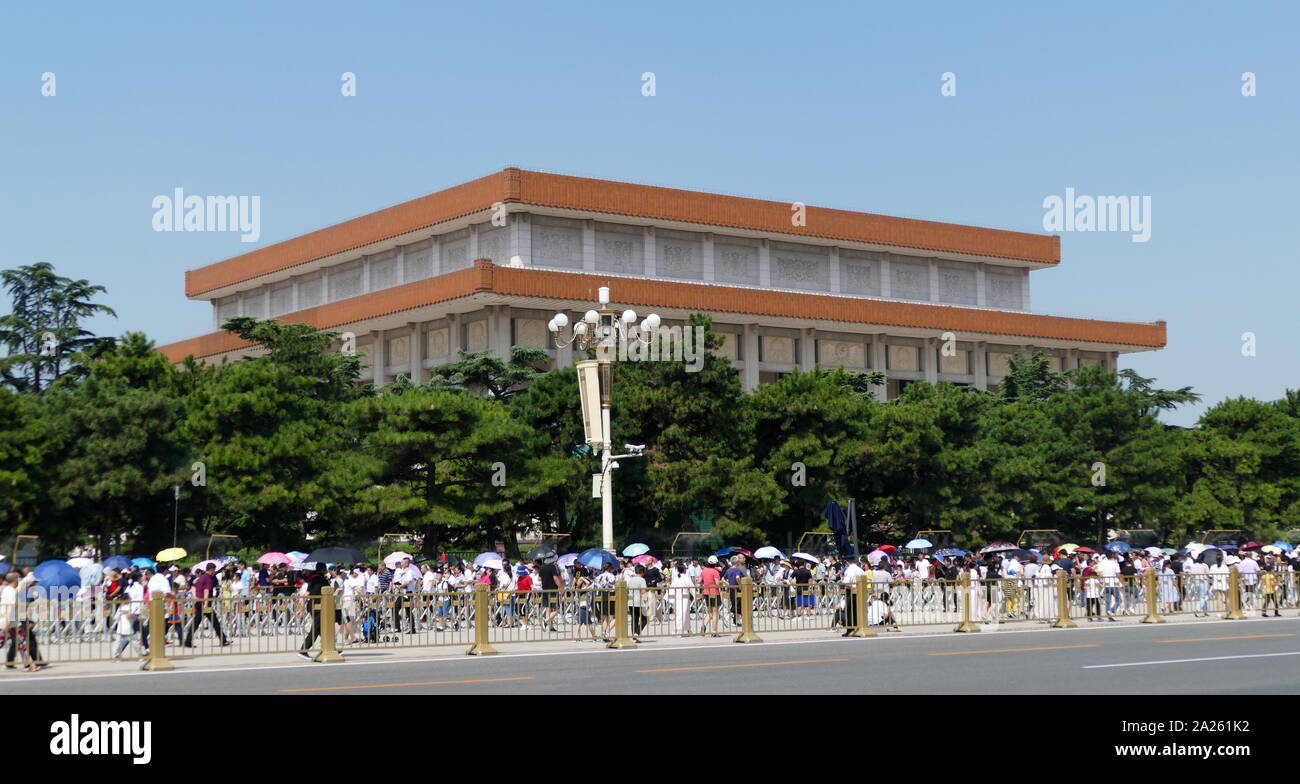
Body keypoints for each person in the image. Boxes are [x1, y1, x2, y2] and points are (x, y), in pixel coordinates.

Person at [184, 563, 230, 647]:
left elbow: (193, 587)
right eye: (214, 570)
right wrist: (205, 603)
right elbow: (206, 591)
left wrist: (195, 597)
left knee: (198, 622)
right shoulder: (208, 579)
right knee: (214, 622)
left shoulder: (201, 577)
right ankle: (223, 640)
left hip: (199, 602)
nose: (214, 571)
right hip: (205, 604)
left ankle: (188, 641)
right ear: (211, 569)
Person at [298, 566, 337, 660]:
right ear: (322, 569)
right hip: (319, 605)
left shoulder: (313, 578)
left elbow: (308, 592)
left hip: (312, 605)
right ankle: (304, 650)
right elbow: (329, 590)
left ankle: (331, 648)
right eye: (325, 569)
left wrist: (301, 606)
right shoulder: (321, 579)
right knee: (316, 628)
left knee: (322, 629)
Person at [592, 562, 618, 641]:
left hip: (601, 596)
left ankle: (604, 635)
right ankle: (607, 631)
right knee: (616, 617)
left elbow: (594, 586)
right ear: (610, 568)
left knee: (605, 617)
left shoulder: (599, 577)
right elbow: (615, 586)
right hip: (610, 596)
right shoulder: (612, 576)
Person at [537, 557, 564, 633]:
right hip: (552, 590)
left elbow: (539, 578)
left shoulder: (542, 568)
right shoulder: (553, 568)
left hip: (545, 590)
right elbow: (555, 579)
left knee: (548, 608)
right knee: (556, 609)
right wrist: (561, 588)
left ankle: (551, 627)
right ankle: (546, 621)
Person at [571, 565, 598, 641]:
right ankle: (593, 636)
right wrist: (583, 578)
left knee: (579, 622)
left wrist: (583, 578)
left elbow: (589, 583)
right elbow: (588, 583)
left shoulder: (581, 587)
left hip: (582, 606)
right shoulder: (581, 588)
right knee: (588, 622)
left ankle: (577, 637)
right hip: (583, 606)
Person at [841, 554, 866, 636]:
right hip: (861, 592)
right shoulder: (860, 570)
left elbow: (846, 582)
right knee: (858, 611)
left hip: (851, 592)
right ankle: (859, 628)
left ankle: (850, 630)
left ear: (847, 562)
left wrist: (853, 588)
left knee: (850, 612)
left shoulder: (849, 570)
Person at [699, 556, 723, 638]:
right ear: (715, 563)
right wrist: (721, 582)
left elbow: (699, 581)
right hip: (714, 593)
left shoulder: (704, 571)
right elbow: (717, 583)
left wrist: (705, 582)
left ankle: (704, 625)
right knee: (715, 612)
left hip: (706, 592)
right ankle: (714, 631)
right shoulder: (715, 572)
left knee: (710, 612)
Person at [669, 562, 694, 636]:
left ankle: (688, 629)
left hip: (679, 597)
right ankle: (677, 630)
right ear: (684, 570)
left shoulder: (677, 578)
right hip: (683, 597)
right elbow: (692, 588)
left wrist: (671, 598)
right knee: (681, 614)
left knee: (684, 614)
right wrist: (696, 595)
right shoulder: (685, 578)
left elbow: (671, 589)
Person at [625, 565, 649, 638]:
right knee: (644, 619)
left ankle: (634, 634)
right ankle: (637, 632)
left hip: (631, 602)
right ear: (642, 572)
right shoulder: (642, 580)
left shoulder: (631, 579)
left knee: (634, 619)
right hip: (639, 602)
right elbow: (643, 591)